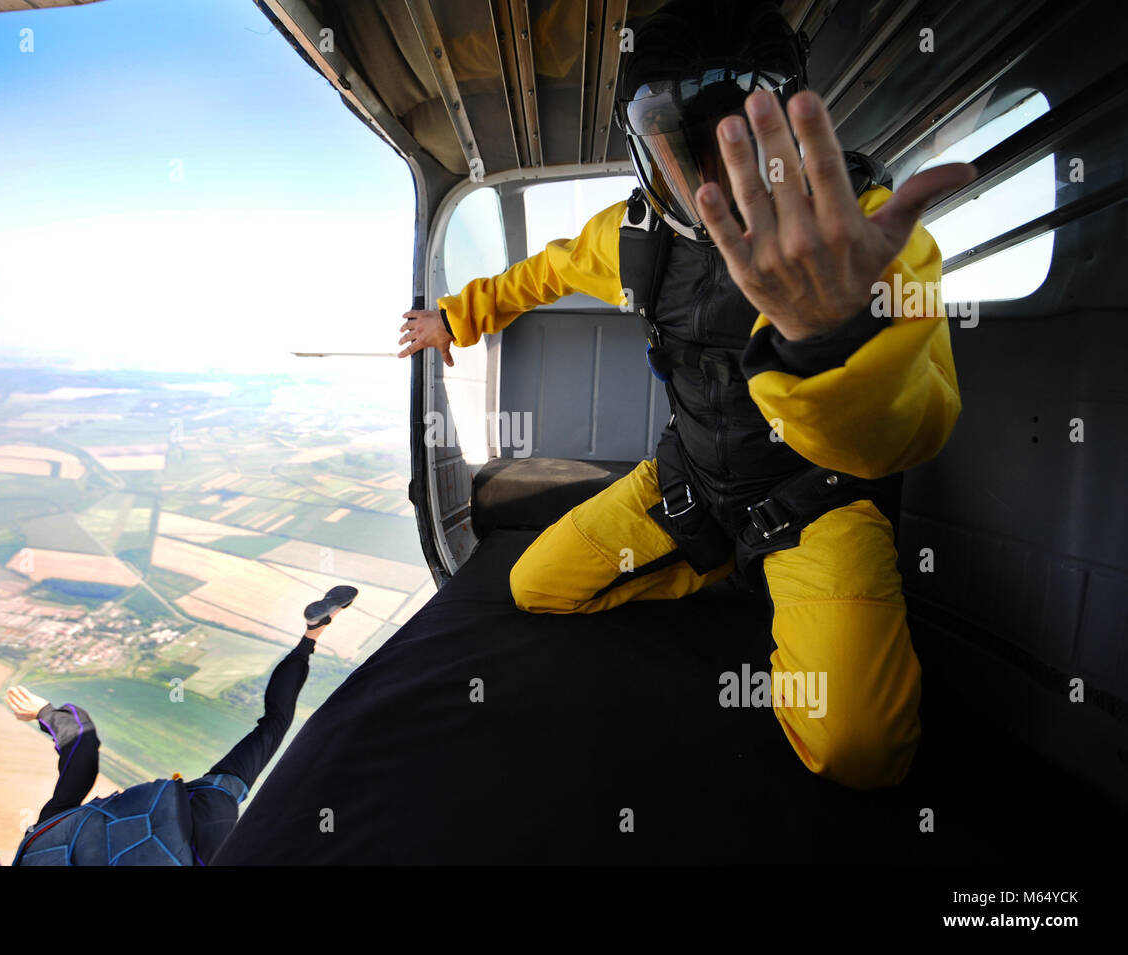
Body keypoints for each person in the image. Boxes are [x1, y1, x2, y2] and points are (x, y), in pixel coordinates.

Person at [397, 0, 976, 790]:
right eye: (684, 151)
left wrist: (829, 338)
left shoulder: (867, 235)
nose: (714, 183)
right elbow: (548, 270)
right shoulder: (634, 238)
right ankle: (719, 564)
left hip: (820, 505)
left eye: (736, 143)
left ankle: (755, 566)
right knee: (535, 587)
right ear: (649, 155)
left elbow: (917, 426)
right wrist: (455, 319)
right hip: (689, 484)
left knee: (860, 750)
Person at [8, 585, 358, 865]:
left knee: (275, 741)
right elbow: (82, 746)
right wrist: (45, 712)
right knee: (272, 725)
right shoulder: (38, 844)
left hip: (208, 835)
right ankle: (311, 634)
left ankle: (314, 635)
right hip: (185, 802)